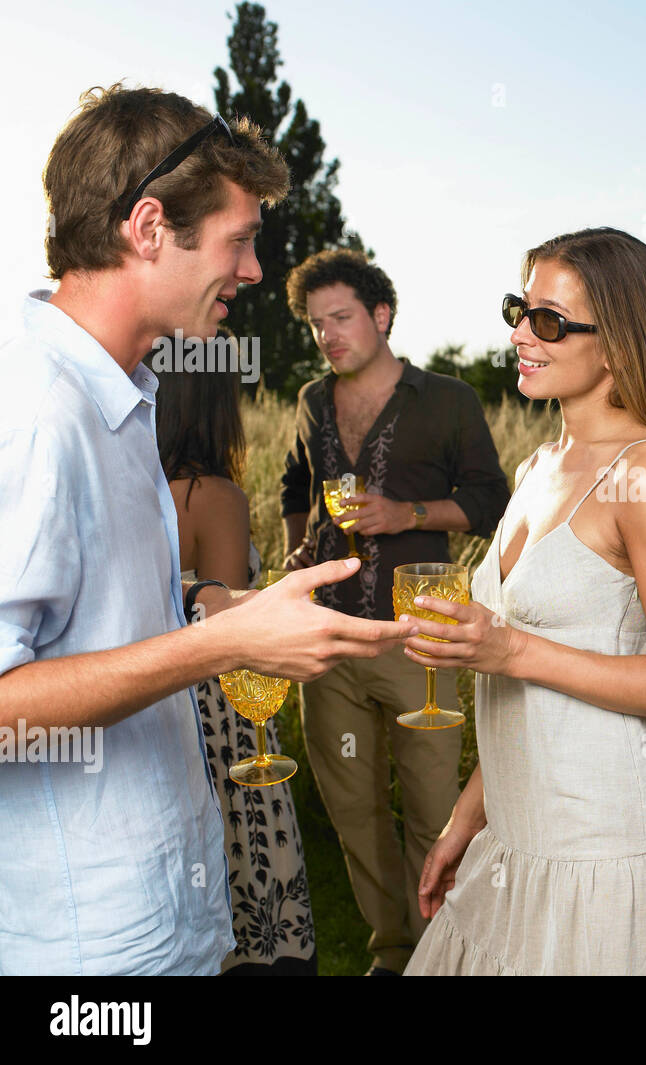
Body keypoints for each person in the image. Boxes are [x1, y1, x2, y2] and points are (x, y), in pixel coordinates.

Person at [0, 84, 417, 976]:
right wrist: (222, 642)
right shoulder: (34, 408)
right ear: (149, 227)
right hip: (85, 951)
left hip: (162, 913)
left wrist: (207, 603)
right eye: (240, 240)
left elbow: (90, 609)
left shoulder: (122, 392)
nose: (257, 271)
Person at [401, 227, 646, 975]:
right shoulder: (536, 464)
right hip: (518, 842)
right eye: (520, 310)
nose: (521, 333)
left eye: (548, 321)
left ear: (616, 343)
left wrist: (508, 646)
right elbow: (528, 691)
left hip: (606, 860)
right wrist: (467, 816)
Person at [281, 249, 510, 976]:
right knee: (352, 809)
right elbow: (296, 484)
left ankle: (443, 954)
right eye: (317, 324)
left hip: (418, 640)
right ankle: (391, 950)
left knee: (435, 807)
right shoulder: (313, 400)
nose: (328, 335)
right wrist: (296, 548)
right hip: (328, 636)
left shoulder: (447, 399)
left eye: (341, 317)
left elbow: (490, 503)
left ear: (381, 315)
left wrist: (407, 510)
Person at [156, 359, 316, 974]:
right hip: (221, 697)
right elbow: (232, 612)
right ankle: (254, 948)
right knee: (244, 824)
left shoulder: (139, 486)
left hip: (160, 689)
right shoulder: (214, 495)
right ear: (215, 410)